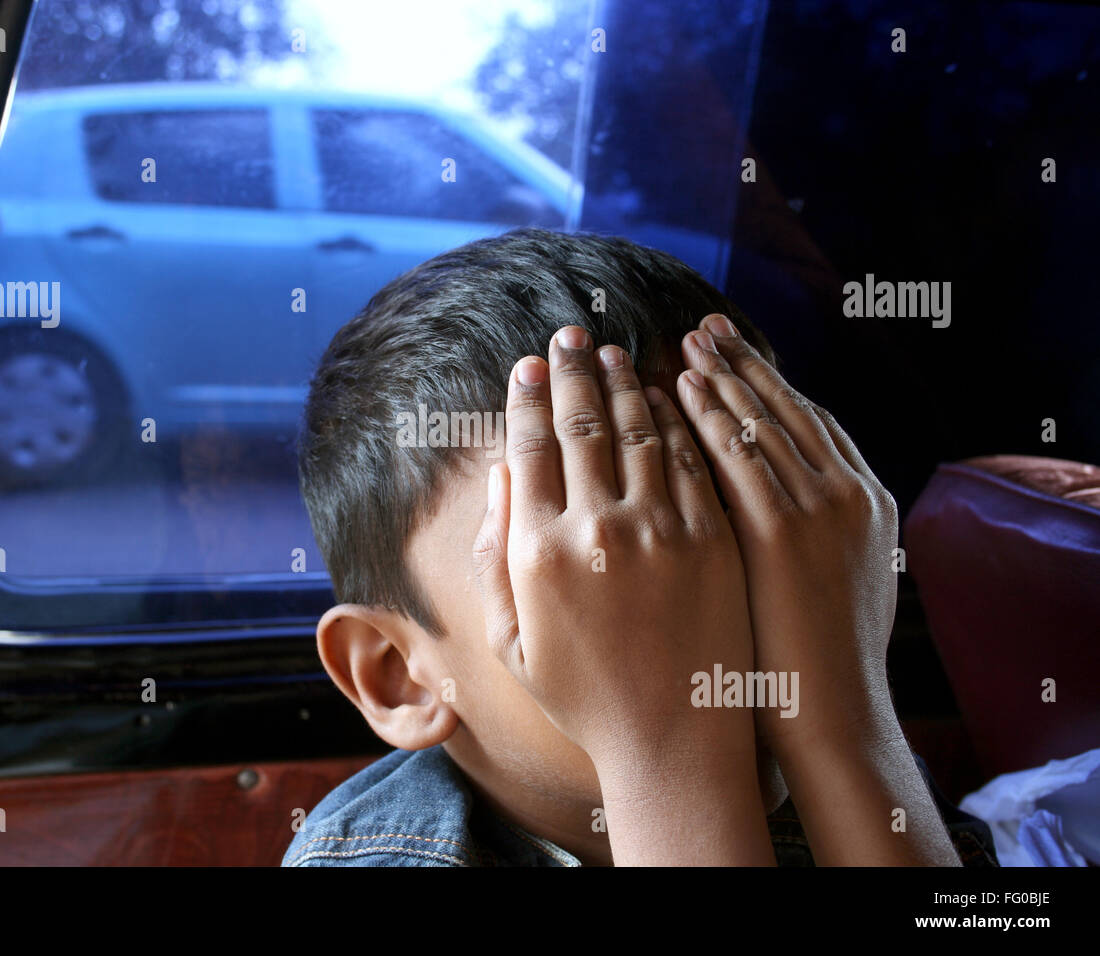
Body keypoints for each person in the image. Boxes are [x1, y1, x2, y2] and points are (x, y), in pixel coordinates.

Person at [283, 228, 996, 866]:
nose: (706, 607)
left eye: (754, 527)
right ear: (398, 676)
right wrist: (664, 755)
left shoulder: (842, 767)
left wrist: (845, 723)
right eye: (599, 568)